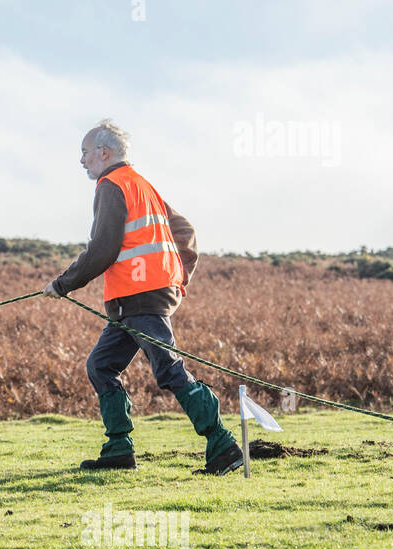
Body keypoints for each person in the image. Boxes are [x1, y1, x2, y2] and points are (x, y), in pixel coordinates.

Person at [42, 119, 243, 475]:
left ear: (104, 153)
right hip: (134, 298)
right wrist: (178, 277)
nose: (82, 161)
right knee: (101, 366)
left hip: (139, 295)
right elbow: (186, 232)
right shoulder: (142, 185)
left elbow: (103, 248)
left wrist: (63, 283)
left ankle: (223, 443)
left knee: (168, 368)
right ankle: (119, 450)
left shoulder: (111, 185)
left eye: (85, 153)